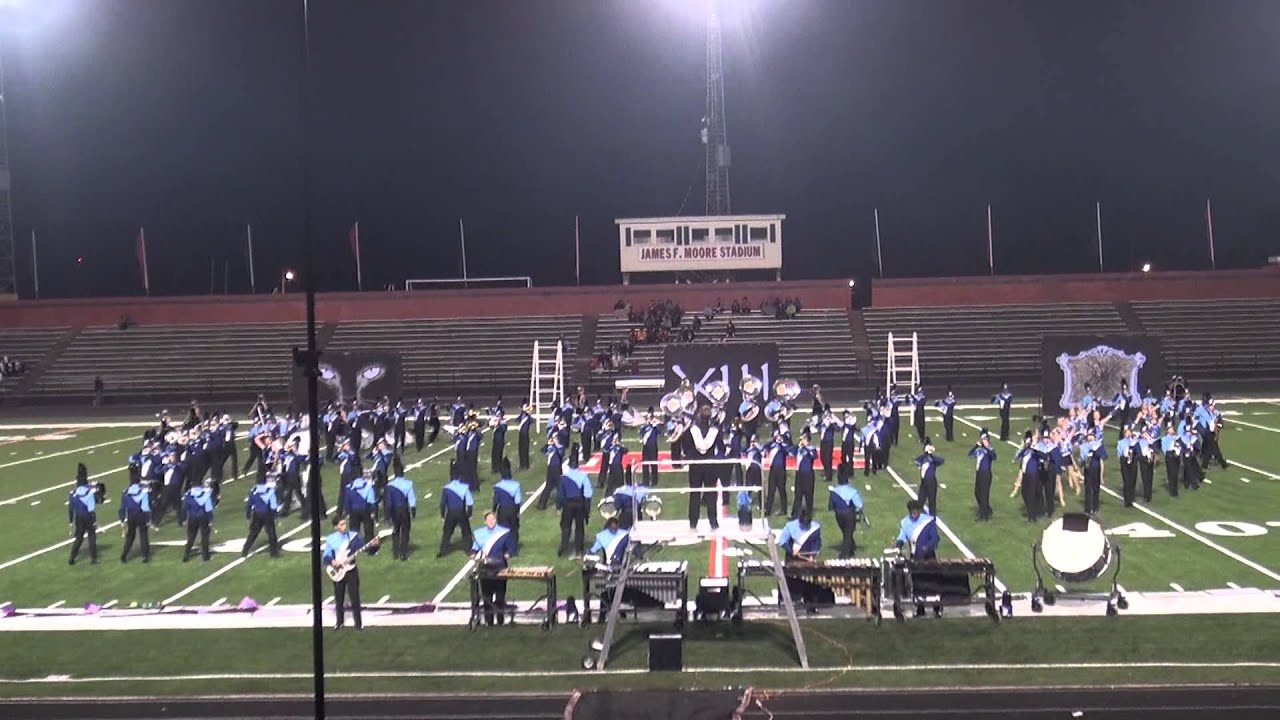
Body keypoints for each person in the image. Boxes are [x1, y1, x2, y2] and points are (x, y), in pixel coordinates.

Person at [323, 515, 378, 630]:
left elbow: (364, 548)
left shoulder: (353, 536)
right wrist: (333, 562)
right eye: (341, 524)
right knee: (339, 598)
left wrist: (374, 545)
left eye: (344, 523)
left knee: (355, 598)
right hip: (338, 572)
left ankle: (358, 624)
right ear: (335, 527)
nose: (344, 526)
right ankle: (339, 622)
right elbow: (326, 556)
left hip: (351, 570)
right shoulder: (331, 539)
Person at [472, 511, 516, 626]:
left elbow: (511, 548)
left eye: (493, 519)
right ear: (485, 521)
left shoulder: (504, 532)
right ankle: (489, 621)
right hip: (485, 568)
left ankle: (500, 620)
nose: (491, 522)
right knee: (487, 597)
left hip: (500, 567)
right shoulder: (479, 534)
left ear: (496, 520)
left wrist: (508, 554)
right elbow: (475, 549)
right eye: (489, 520)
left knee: (500, 596)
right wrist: (473, 555)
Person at [557, 447, 593, 557]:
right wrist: (587, 511)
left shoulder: (564, 478)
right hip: (579, 504)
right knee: (579, 528)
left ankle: (564, 547)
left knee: (566, 526)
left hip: (568, 505)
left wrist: (559, 507)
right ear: (577, 465)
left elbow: (560, 495)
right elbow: (588, 494)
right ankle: (579, 550)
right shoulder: (584, 476)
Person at [439, 461, 475, 556]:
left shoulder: (446, 488)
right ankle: (469, 549)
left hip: (450, 513)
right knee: (466, 532)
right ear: (459, 476)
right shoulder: (464, 487)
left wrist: (443, 515)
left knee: (447, 532)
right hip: (461, 512)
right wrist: (469, 514)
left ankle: (443, 551)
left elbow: (443, 504)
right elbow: (470, 502)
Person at [828, 462, 863, 558]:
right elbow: (859, 505)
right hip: (849, 515)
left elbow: (831, 507)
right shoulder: (852, 491)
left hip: (838, 515)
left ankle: (852, 548)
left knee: (846, 533)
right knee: (847, 534)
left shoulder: (834, 492)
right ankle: (844, 554)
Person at [242, 473, 281, 557]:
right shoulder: (270, 490)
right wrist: (275, 516)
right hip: (267, 514)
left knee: (253, 533)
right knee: (271, 533)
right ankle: (274, 553)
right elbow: (273, 505)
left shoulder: (253, 491)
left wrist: (248, 516)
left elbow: (249, 504)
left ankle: (245, 550)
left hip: (256, 514)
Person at [385, 457, 417, 561]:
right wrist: (413, 511)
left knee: (396, 530)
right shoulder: (408, 483)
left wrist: (388, 515)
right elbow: (412, 499)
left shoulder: (389, 485)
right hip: (403, 510)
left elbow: (388, 502)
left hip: (394, 511)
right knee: (405, 530)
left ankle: (395, 552)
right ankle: (403, 553)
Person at [67, 465, 99, 565]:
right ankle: (93, 558)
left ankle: (72, 558)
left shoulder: (73, 493)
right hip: (88, 516)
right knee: (92, 536)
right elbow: (91, 507)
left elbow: (71, 509)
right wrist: (94, 520)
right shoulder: (90, 491)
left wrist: (71, 521)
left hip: (78, 517)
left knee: (79, 538)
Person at [118, 473, 151, 563]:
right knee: (143, 535)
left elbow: (122, 507)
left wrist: (122, 519)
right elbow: (145, 507)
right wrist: (148, 519)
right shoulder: (143, 491)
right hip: (140, 515)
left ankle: (124, 555)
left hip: (130, 516)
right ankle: (145, 556)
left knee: (130, 536)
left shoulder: (126, 492)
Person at [182, 478, 215, 562]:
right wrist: (210, 519)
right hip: (203, 517)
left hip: (192, 518)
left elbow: (185, 508)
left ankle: (186, 555)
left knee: (191, 537)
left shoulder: (188, 495)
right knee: (205, 537)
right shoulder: (206, 494)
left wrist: (185, 518)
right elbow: (208, 508)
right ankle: (206, 557)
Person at [492, 458, 523, 548]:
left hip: (502, 511)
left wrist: (493, 511)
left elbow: (495, 501)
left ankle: (504, 547)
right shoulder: (516, 485)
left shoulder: (497, 486)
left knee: (502, 529)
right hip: (512, 509)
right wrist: (517, 512)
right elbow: (518, 501)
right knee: (514, 529)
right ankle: (513, 548)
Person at [968, 432, 997, 520]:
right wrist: (976, 446)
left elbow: (994, 457)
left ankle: (983, 516)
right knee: (977, 492)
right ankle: (987, 509)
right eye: (982, 439)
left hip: (986, 474)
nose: (983, 441)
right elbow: (970, 454)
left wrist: (987, 447)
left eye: (984, 439)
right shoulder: (979, 449)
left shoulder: (990, 449)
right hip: (979, 474)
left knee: (984, 494)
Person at [1079, 429, 1108, 515]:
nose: (1090, 437)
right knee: (1088, 488)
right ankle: (1088, 508)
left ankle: (1095, 507)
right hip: (1088, 469)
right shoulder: (1084, 446)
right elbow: (1082, 459)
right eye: (1089, 435)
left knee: (1096, 489)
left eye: (1092, 435)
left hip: (1096, 469)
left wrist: (1101, 475)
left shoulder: (1099, 445)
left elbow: (1103, 458)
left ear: (1095, 436)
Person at [913, 440, 944, 516]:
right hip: (923, 483)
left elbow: (941, 461)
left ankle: (932, 517)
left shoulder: (933, 460)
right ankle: (919, 516)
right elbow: (917, 461)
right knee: (920, 501)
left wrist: (931, 455)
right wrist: (926, 454)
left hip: (931, 483)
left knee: (932, 501)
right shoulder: (922, 458)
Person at [790, 434, 818, 518]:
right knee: (798, 495)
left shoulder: (812, 448)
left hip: (808, 474)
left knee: (808, 495)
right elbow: (791, 452)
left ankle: (808, 514)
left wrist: (805, 448)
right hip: (799, 474)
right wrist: (798, 446)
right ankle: (794, 514)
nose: (802, 441)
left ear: (808, 441)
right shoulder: (798, 448)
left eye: (804, 439)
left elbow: (814, 456)